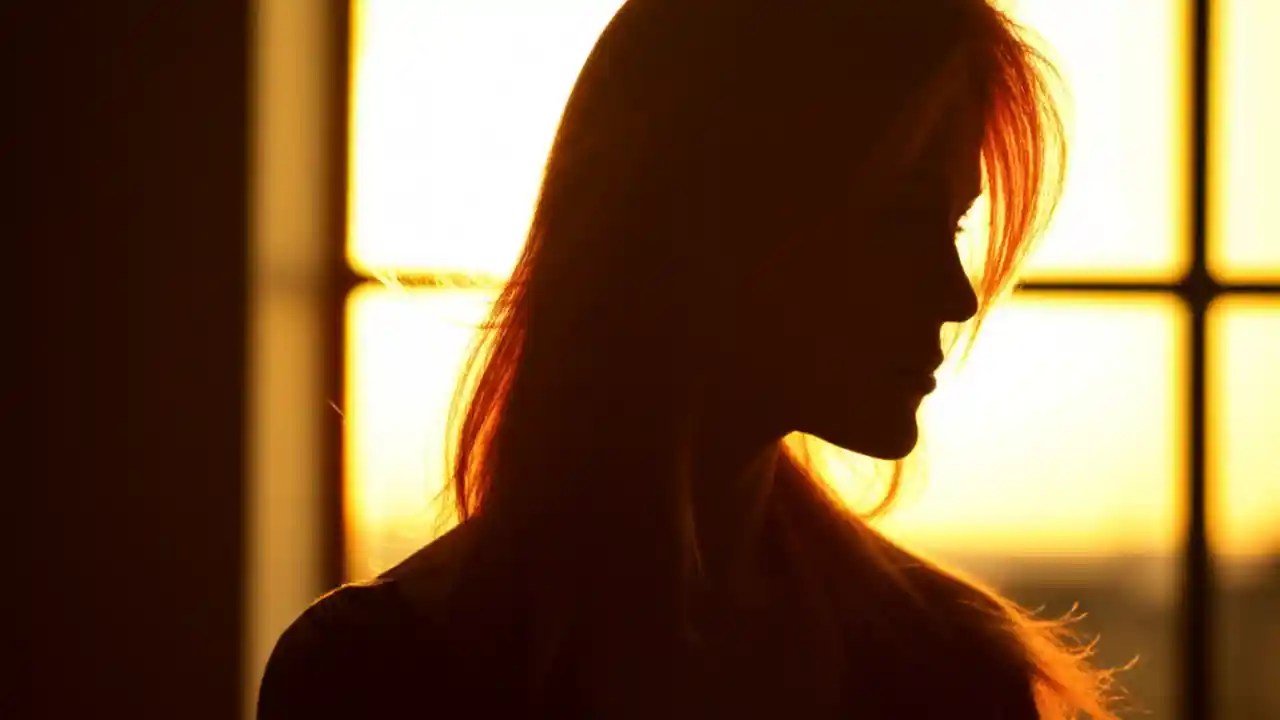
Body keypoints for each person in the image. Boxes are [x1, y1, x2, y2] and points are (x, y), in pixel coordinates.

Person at [258, 0, 1132, 717]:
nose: (957, 294)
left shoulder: (945, 671)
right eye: (899, 217)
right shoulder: (376, 678)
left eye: (950, 225)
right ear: (721, 221)